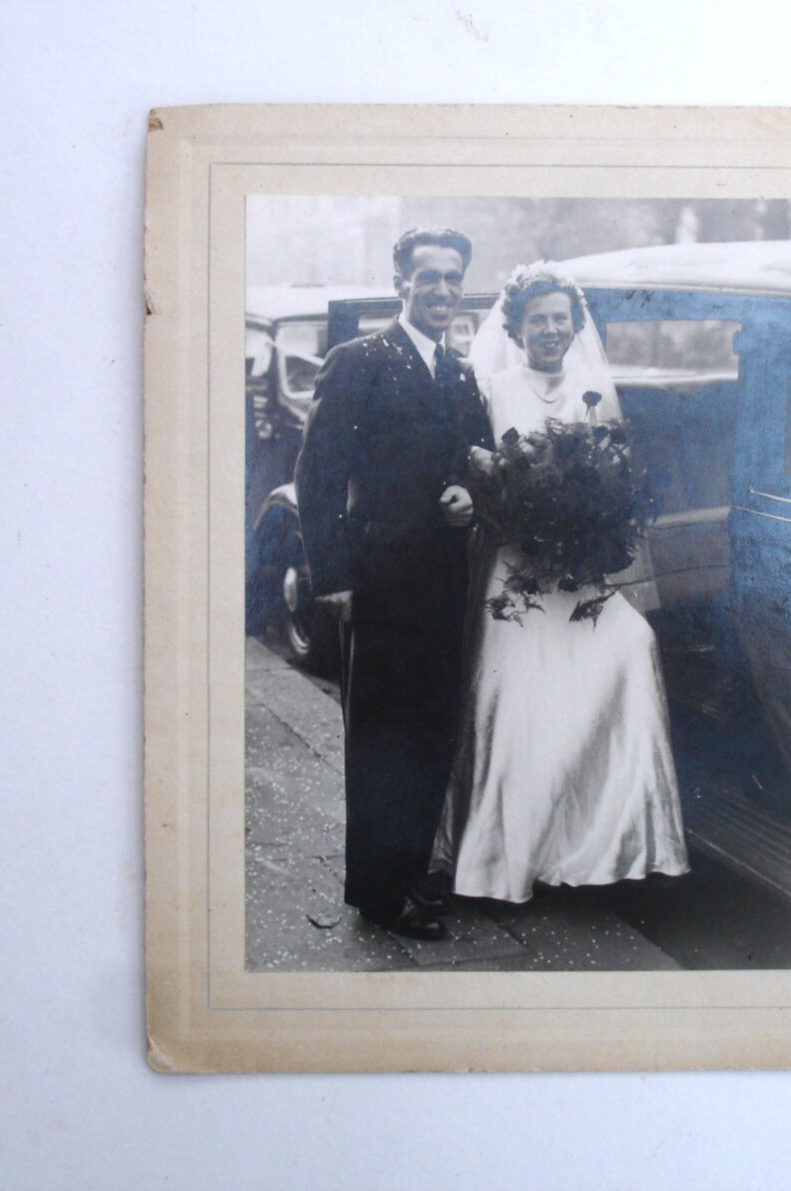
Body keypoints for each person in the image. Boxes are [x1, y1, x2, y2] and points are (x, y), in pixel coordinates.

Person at [432, 264, 690, 903]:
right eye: (537, 319)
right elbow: (477, 477)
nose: (550, 329)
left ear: (575, 327)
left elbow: (614, 485)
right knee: (518, 690)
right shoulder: (489, 390)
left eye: (560, 319)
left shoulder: (592, 387)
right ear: (515, 327)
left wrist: (584, 530)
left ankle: (611, 842)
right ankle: (509, 855)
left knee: (634, 646)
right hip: (516, 572)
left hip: (577, 572)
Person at [294, 228, 493, 940]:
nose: (442, 291)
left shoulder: (459, 372)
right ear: (402, 282)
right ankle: (380, 893)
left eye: (453, 278)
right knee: (383, 737)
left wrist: (472, 492)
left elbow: (480, 459)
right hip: (379, 582)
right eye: (429, 277)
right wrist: (335, 581)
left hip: (444, 581)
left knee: (431, 727)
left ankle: (410, 870)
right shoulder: (362, 362)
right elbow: (316, 477)